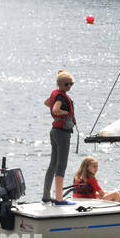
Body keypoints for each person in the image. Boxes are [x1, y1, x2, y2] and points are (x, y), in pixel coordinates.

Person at [42, 70, 75, 205]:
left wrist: (57, 109)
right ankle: (59, 199)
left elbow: (47, 103)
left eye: (71, 84)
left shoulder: (56, 94)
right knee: (61, 165)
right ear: (60, 84)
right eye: (67, 84)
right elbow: (55, 109)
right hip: (62, 133)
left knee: (53, 164)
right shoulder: (61, 97)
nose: (69, 87)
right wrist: (66, 112)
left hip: (54, 130)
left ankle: (46, 196)